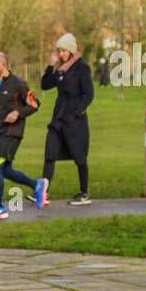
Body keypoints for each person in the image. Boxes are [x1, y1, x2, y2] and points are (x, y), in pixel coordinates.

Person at [0, 51, 44, 220]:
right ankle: (37, 184)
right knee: (5, 170)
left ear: (3, 64)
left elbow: (35, 104)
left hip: (12, 133)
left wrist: (18, 113)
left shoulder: (18, 84)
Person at [37, 33, 94, 206]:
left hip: (75, 121)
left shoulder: (81, 68)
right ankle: (43, 193)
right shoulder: (60, 70)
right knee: (50, 153)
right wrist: (50, 65)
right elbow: (45, 85)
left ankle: (84, 193)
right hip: (58, 119)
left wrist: (78, 111)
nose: (60, 54)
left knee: (80, 158)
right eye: (58, 51)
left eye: (62, 51)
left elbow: (89, 94)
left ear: (70, 50)